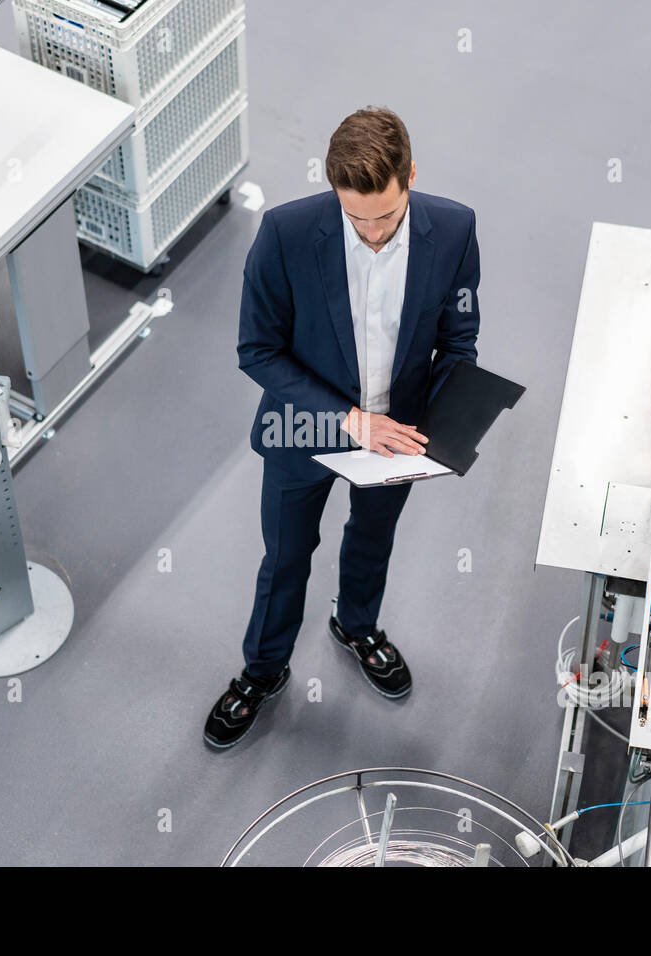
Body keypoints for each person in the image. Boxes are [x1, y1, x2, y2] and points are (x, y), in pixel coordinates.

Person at [203, 107, 480, 749]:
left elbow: (458, 337)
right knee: (286, 557)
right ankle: (263, 670)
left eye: (386, 214)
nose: (374, 232)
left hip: (398, 437)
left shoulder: (457, 228)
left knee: (371, 540)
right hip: (304, 434)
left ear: (411, 175)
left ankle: (357, 627)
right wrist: (351, 421)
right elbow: (258, 351)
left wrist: (445, 422)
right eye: (356, 218)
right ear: (334, 193)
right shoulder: (286, 234)